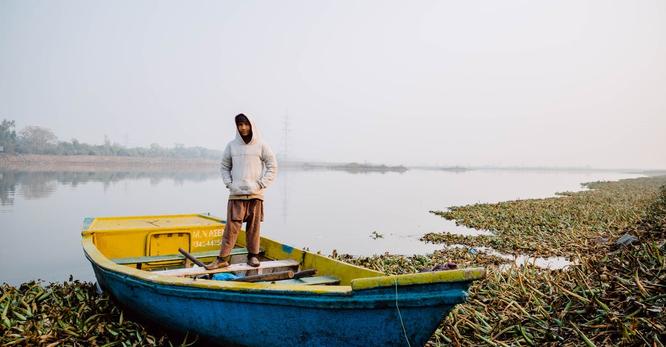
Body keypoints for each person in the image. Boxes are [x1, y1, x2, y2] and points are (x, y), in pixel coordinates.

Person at [205, 113, 278, 270]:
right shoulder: (231, 146)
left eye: (245, 124)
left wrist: (261, 184)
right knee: (231, 228)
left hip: (255, 194)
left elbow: (272, 166)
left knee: (254, 227)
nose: (243, 128)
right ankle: (223, 258)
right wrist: (229, 184)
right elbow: (224, 166)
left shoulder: (262, 145)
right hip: (236, 194)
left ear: (251, 125)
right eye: (240, 125)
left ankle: (253, 256)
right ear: (237, 127)